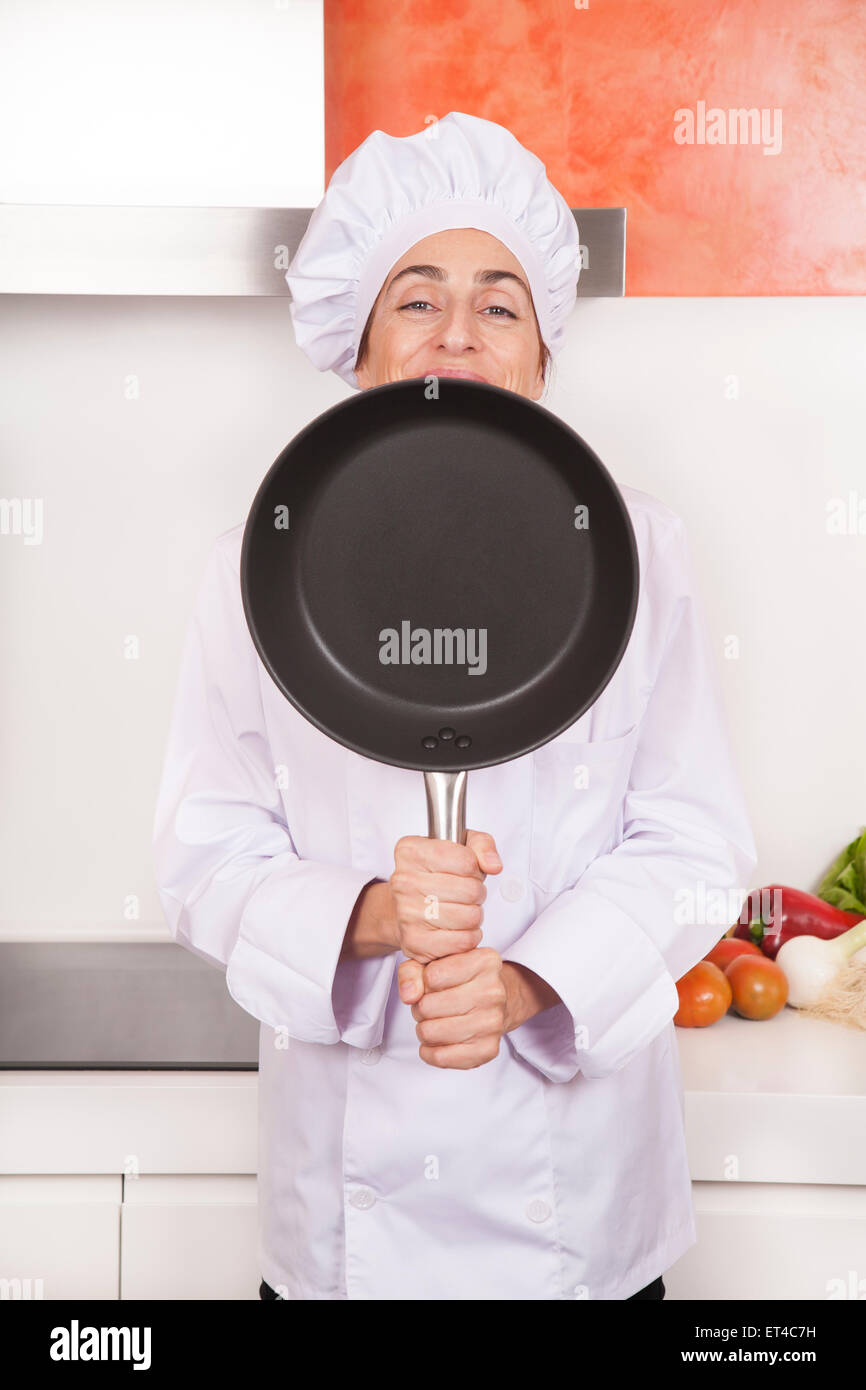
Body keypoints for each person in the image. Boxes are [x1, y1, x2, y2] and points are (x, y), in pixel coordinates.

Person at [152, 111, 757, 1301]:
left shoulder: (640, 552)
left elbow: (692, 843)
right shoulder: (259, 564)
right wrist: (369, 915)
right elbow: (201, 853)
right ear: (360, 346)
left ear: (540, 351)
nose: (458, 333)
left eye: (498, 302)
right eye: (416, 297)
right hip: (341, 1241)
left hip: (581, 1227)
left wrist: (529, 983)